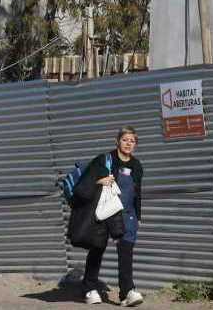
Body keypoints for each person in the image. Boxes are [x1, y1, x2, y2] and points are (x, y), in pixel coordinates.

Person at [75, 127, 144, 307]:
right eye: (125, 140)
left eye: (132, 141)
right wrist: (100, 181)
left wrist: (138, 216)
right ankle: (89, 288)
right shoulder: (104, 160)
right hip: (105, 212)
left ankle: (127, 292)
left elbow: (137, 193)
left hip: (127, 215)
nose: (128, 143)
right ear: (117, 141)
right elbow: (83, 184)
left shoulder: (137, 166)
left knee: (126, 254)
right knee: (97, 250)